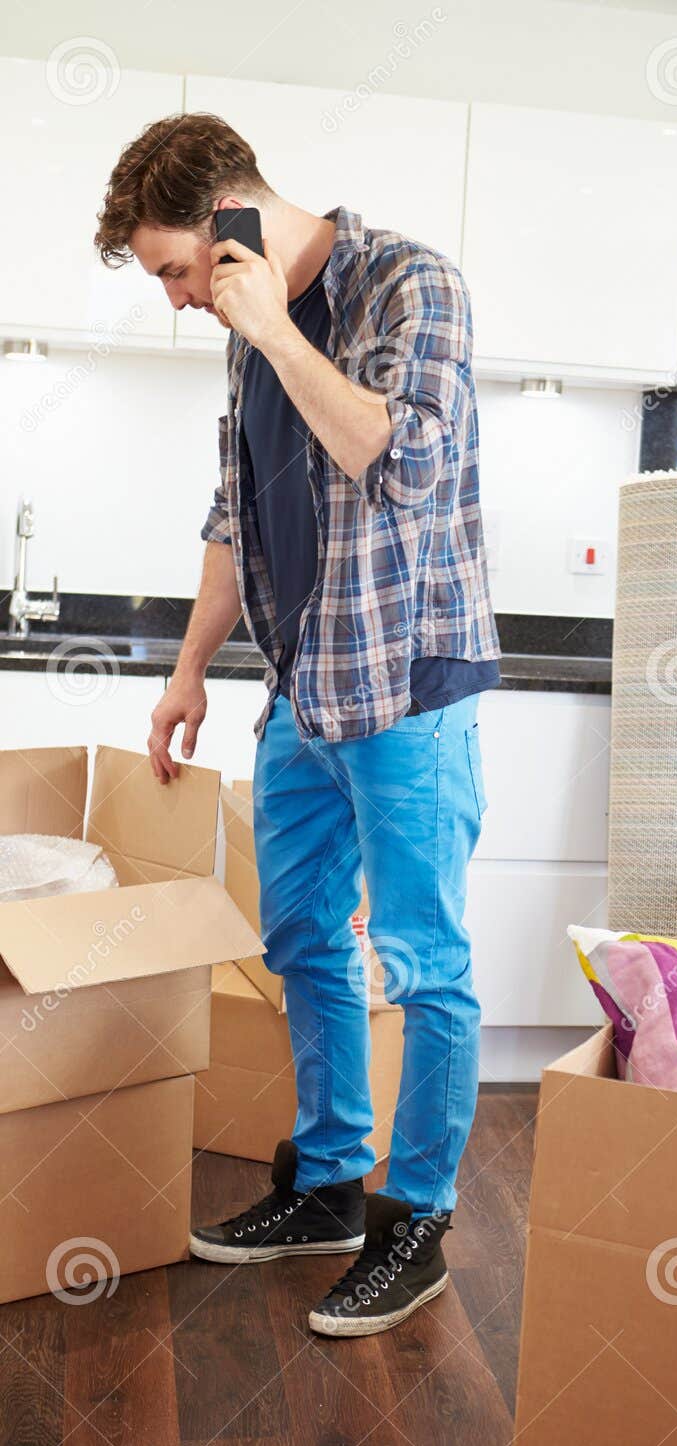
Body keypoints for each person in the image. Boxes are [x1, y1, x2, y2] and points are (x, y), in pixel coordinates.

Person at [95, 113, 500, 1338]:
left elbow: (404, 460)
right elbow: (235, 516)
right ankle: (328, 1184)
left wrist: (271, 325)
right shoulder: (238, 339)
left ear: (233, 218)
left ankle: (415, 1219)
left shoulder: (410, 285)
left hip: (408, 687)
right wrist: (186, 671)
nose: (176, 299)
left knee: (423, 964)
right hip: (305, 692)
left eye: (176, 268)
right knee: (304, 943)